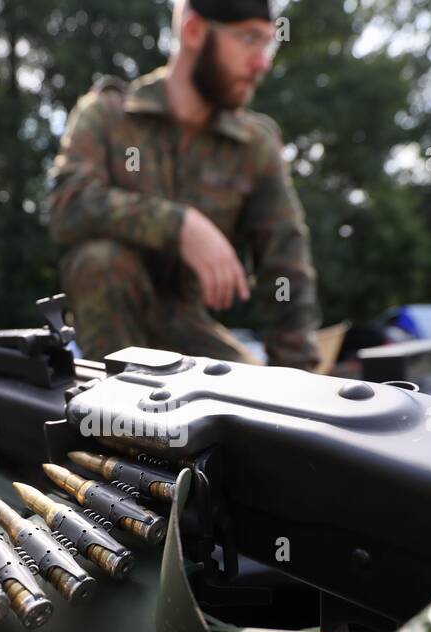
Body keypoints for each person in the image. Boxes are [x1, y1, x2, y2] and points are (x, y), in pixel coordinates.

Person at [45, 0, 320, 369]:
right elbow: (67, 205)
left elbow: (285, 262)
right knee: (98, 261)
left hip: (189, 332)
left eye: (269, 44)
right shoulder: (109, 116)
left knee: (260, 408)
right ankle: (118, 421)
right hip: (111, 333)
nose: (262, 62)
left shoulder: (254, 144)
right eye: (250, 39)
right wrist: (179, 225)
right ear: (193, 31)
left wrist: (300, 381)